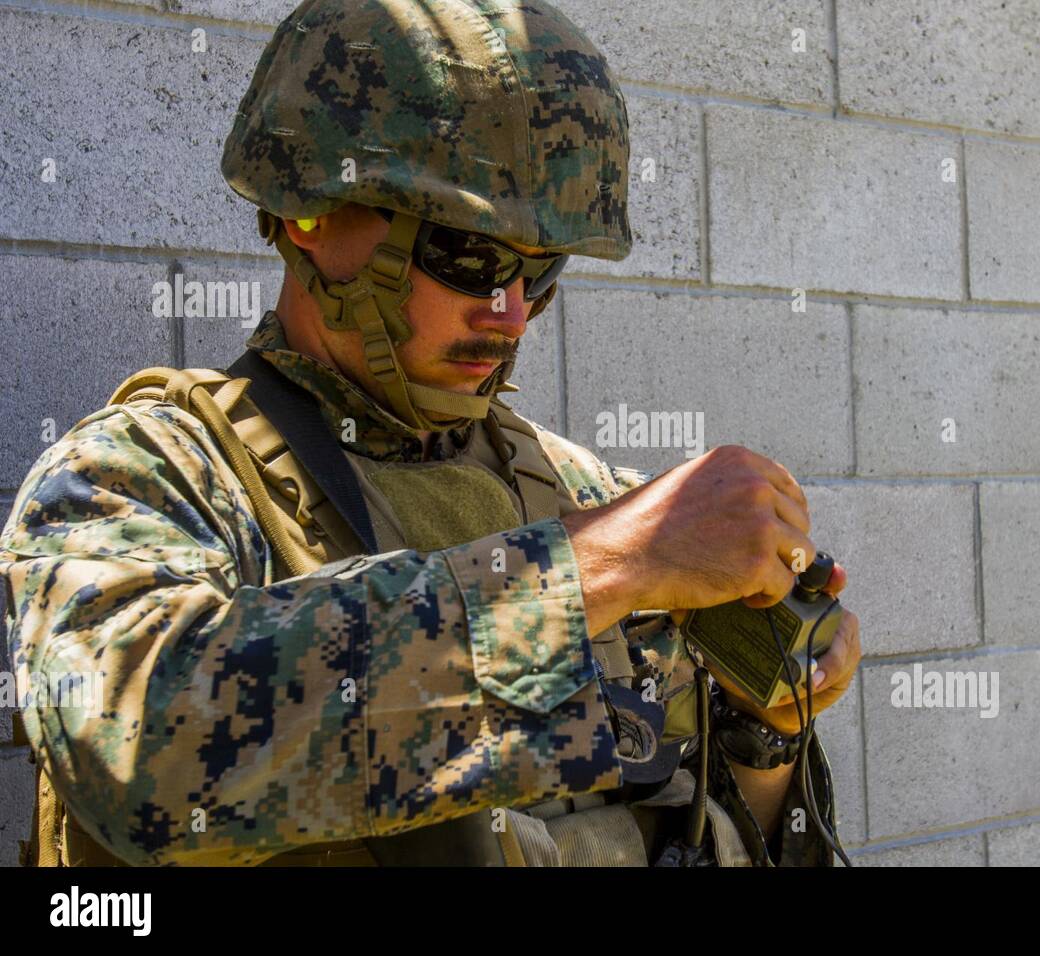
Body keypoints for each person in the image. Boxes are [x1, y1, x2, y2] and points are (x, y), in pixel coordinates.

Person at [0, 0, 861, 867]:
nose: (512, 312)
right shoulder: (144, 478)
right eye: (471, 256)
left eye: (539, 268)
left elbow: (719, 827)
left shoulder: (582, 492)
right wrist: (600, 566)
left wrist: (765, 732)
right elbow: (143, 753)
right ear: (312, 214)